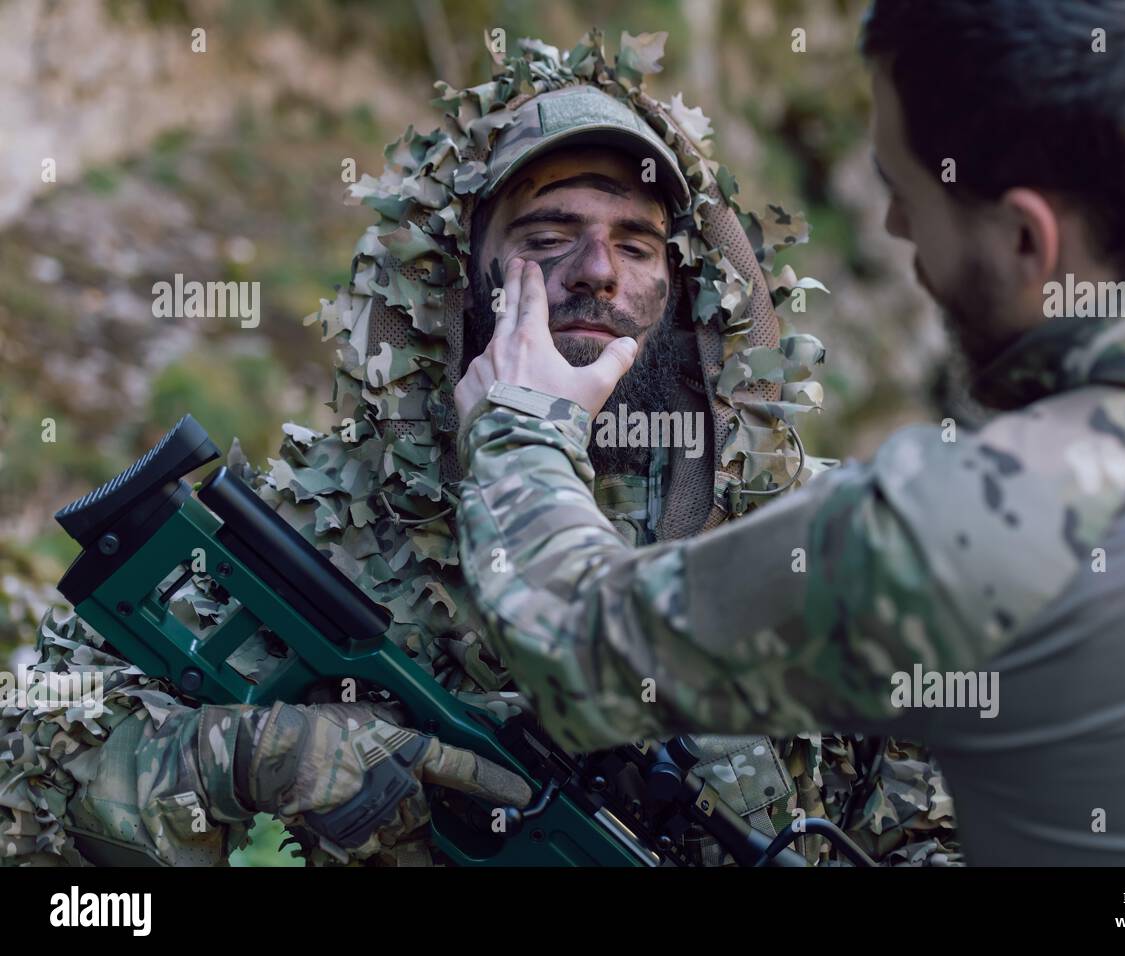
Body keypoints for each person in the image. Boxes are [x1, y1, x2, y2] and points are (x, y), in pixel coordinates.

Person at [1, 31, 956, 866]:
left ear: (690, 286)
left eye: (637, 244)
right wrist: (252, 758)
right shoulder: (336, 528)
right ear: (459, 283)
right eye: (548, 235)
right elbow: (29, 802)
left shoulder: (821, 540)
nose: (596, 273)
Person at [453, 0, 1125, 865]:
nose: (895, 228)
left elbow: (574, 646)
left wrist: (520, 421)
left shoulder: (973, 523)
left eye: (904, 194)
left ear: (1023, 239)